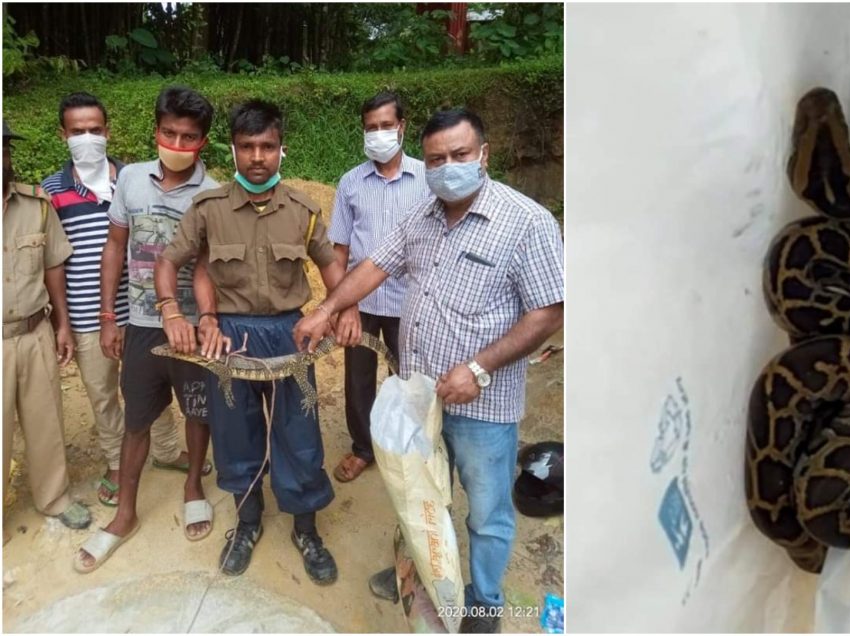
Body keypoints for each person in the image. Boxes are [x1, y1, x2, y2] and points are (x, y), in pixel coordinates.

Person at [293, 108, 565, 633]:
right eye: (437, 158)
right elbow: (374, 265)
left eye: (459, 156)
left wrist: (480, 369)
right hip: (420, 396)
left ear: (483, 155)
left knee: (486, 514)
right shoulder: (422, 213)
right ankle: (420, 576)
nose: (447, 168)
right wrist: (327, 310)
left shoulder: (526, 221)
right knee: (418, 496)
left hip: (483, 403)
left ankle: (483, 604)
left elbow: (549, 311)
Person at [156, 99, 353, 585]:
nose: (258, 156)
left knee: (299, 432)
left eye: (267, 146)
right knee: (235, 433)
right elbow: (171, 262)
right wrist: (173, 312)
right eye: (248, 147)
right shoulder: (209, 209)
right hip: (229, 338)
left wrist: (343, 307)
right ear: (234, 149)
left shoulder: (303, 211)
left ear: (281, 150)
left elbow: (331, 266)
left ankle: (305, 527)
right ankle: (246, 523)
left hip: (291, 335)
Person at [74, 86, 219, 573]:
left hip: (193, 332)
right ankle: (125, 513)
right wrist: (108, 317)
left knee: (198, 412)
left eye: (189, 136)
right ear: (155, 130)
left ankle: (193, 485)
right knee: (138, 419)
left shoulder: (212, 192)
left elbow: (205, 267)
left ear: (203, 141)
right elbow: (115, 247)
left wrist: (202, 323)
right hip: (139, 325)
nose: (177, 142)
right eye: (169, 132)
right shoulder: (131, 179)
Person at [41, 91, 201, 510]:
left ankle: (165, 450)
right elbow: (53, 261)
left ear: (108, 131)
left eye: (95, 129)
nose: (87, 138)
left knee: (146, 386)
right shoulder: (51, 191)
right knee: (102, 391)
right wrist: (74, 319)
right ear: (63, 135)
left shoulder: (131, 177)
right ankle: (116, 461)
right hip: (86, 311)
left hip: (145, 310)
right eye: (78, 132)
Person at [327, 91, 430, 483]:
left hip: (412, 301)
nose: (379, 133)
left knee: (411, 376)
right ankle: (363, 448)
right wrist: (341, 305)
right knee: (358, 379)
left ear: (402, 127)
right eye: (372, 127)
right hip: (362, 301)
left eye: (387, 126)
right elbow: (339, 250)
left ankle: (411, 445)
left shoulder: (427, 179)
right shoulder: (351, 183)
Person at [2, 120, 92, 536]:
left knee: (45, 422)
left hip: (36, 331)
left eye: (2, 149)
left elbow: (54, 265)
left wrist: (62, 326)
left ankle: (55, 498)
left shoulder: (37, 205)